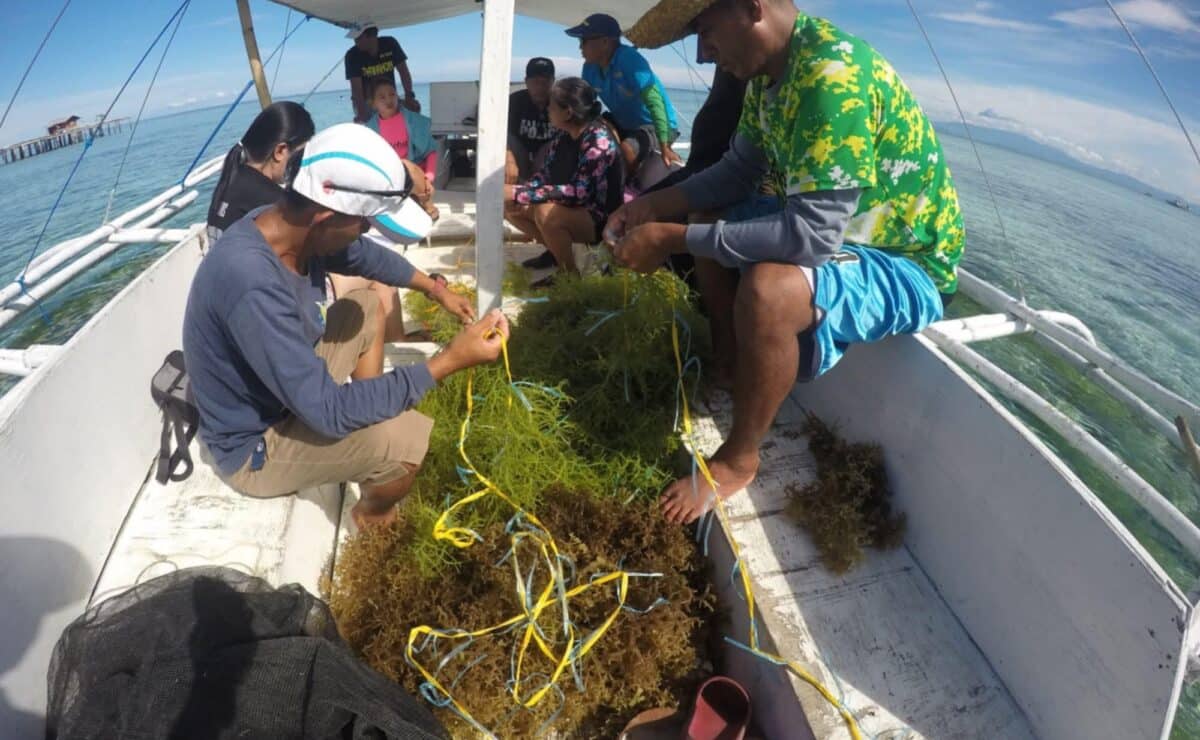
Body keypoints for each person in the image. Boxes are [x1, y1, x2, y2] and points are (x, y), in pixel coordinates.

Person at [610, 0, 966, 523]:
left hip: (907, 263)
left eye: (706, 31)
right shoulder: (770, 74)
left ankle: (739, 460)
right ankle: (730, 362)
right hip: (846, 234)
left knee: (769, 290)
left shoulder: (831, 74)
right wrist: (656, 204)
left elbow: (811, 237)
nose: (704, 53)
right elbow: (738, 171)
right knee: (707, 212)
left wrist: (672, 238)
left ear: (751, 7)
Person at [183, 123, 509, 529]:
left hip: (286, 394)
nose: (367, 231)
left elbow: (365, 257)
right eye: (365, 222)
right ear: (324, 217)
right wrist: (450, 360)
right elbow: (327, 412)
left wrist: (434, 289)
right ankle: (373, 516)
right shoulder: (250, 279)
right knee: (405, 442)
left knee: (364, 307)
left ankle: (369, 417)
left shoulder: (284, 225)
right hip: (254, 445)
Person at [503, 78, 622, 284]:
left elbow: (580, 193)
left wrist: (519, 193)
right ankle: (555, 253)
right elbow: (545, 174)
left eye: (552, 105)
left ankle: (569, 276)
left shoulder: (598, 140)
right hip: (574, 209)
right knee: (509, 208)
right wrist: (519, 194)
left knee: (545, 213)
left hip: (602, 219)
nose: (547, 109)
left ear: (567, 113)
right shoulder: (563, 136)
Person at [564, 13, 681, 186]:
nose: (580, 47)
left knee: (627, 150)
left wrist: (664, 145)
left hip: (658, 125)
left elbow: (655, 103)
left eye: (584, 41)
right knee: (578, 137)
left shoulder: (629, 60)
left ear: (605, 42)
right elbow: (585, 105)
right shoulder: (589, 68)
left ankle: (620, 192)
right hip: (624, 123)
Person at [207, 101, 315, 240]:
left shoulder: (230, 180)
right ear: (280, 151)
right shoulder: (273, 203)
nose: (302, 163)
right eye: (301, 154)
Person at [345, 24, 418, 123]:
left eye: (358, 38)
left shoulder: (390, 44)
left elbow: (403, 72)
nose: (355, 42)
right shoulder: (352, 55)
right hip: (366, 102)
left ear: (372, 36)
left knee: (414, 110)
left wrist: (409, 97)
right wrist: (362, 113)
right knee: (373, 123)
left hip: (388, 97)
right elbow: (356, 89)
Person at [507, 57, 558, 184]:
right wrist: (509, 159)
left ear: (553, 81)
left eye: (545, 82)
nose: (540, 87)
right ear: (526, 81)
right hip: (520, 158)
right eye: (535, 82)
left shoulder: (560, 103)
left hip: (550, 161)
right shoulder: (514, 101)